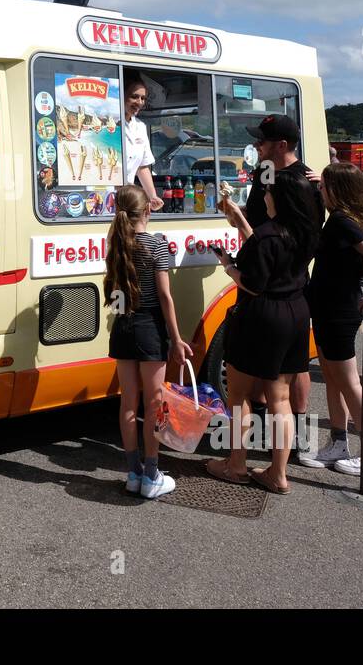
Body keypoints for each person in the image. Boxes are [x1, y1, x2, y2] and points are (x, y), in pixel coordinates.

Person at [206, 170, 319, 494]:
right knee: (279, 399)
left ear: (279, 199)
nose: (264, 195)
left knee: (239, 397)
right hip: (296, 313)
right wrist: (240, 220)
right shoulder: (305, 231)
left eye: (268, 191)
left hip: (262, 316)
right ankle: (278, 474)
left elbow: (252, 283)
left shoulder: (266, 236)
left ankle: (235, 465)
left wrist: (228, 265)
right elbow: (265, 246)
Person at [298, 163, 363, 474]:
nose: (319, 191)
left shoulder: (340, 220)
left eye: (323, 186)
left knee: (348, 383)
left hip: (338, 311)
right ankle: (339, 442)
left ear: (336, 190)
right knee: (334, 380)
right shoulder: (344, 218)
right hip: (327, 309)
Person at [242, 113, 323, 452]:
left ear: (282, 145)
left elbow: (310, 232)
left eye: (262, 140)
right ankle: (266, 429)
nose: (256, 145)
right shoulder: (264, 172)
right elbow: (252, 217)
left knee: (294, 363)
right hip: (267, 266)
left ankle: (301, 432)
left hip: (286, 278)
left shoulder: (303, 179)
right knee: (266, 357)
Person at [104, 184, 191, 499]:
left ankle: (132, 473)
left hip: (123, 326)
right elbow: (165, 297)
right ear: (148, 212)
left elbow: (115, 296)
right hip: (149, 328)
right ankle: (152, 475)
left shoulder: (115, 244)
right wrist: (177, 339)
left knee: (128, 404)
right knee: (154, 404)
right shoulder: (156, 246)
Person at [121, 75, 164, 211]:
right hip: (104, 196)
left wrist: (153, 197)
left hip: (127, 198)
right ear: (122, 95)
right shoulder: (108, 123)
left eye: (143, 98)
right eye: (134, 96)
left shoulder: (140, 126)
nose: (139, 102)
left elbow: (142, 166)